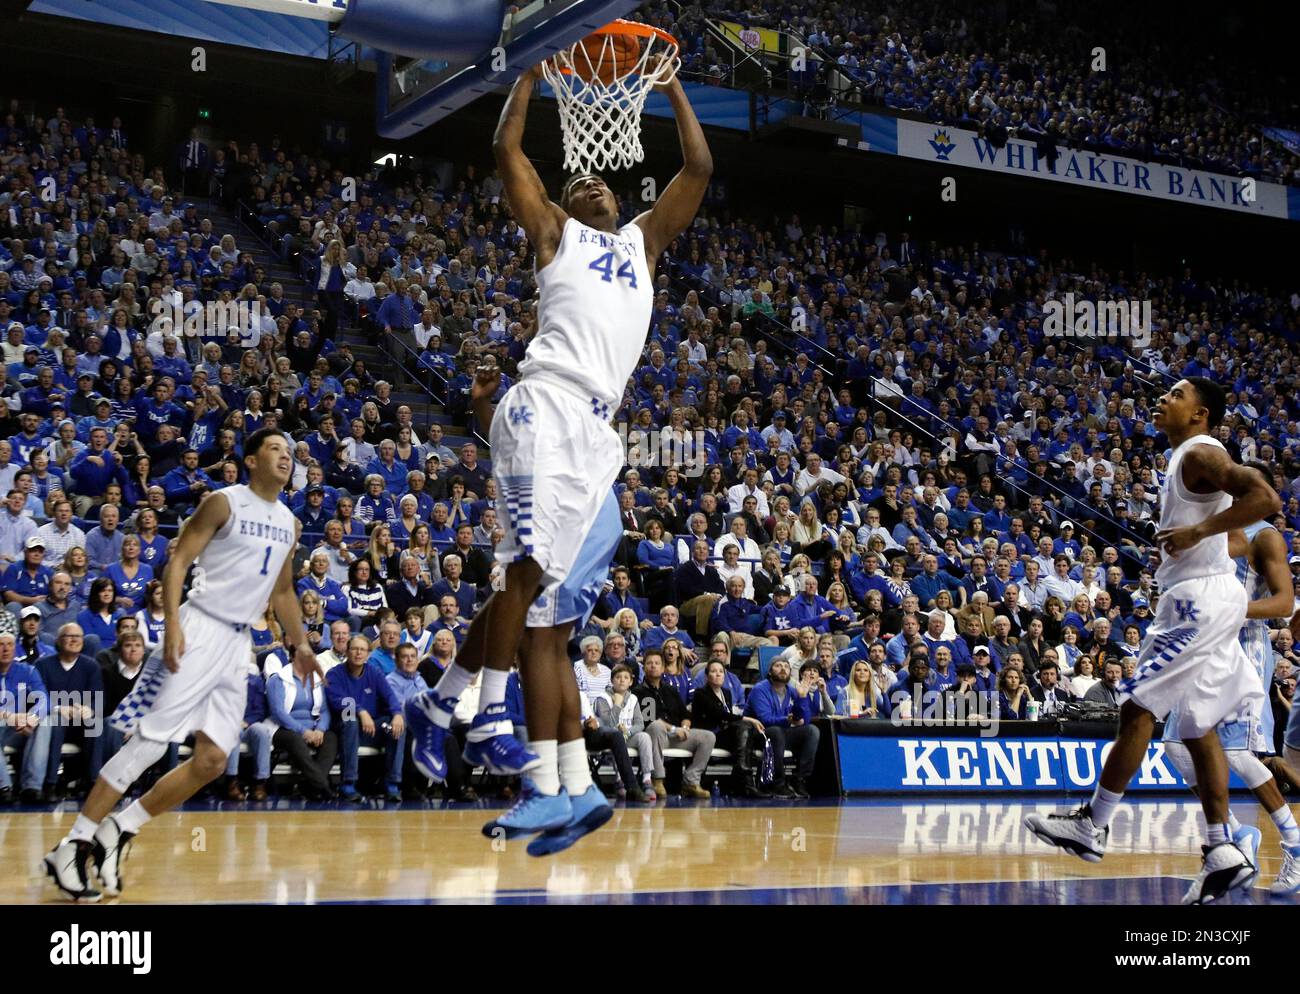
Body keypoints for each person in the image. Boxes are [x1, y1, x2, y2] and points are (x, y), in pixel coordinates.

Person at [403, 55, 710, 856]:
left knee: (535, 590)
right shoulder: (555, 234)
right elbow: (509, 153)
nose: (590, 190)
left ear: (621, 195)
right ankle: (491, 718)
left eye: (601, 186)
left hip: (597, 434)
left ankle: (447, 705)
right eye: (577, 187)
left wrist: (668, 85)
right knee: (529, 570)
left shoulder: (645, 243)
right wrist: (530, 76)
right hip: (544, 399)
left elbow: (699, 166)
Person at [1025, 377, 1282, 905]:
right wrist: (1203, 535)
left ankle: (1093, 824)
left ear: (1200, 413)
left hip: (1196, 603)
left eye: (1178, 394)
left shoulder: (1200, 451)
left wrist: (1198, 535)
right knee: (1196, 724)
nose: (1165, 399)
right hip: (1209, 596)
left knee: (1137, 707)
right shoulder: (1188, 456)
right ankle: (1221, 847)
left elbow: (1264, 496)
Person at [44, 428, 315, 901]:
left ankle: (119, 828)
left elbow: (285, 592)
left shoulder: (290, 523)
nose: (285, 456)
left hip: (238, 645)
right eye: (275, 448)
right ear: (250, 460)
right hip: (201, 626)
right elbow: (178, 562)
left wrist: (303, 644)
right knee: (150, 743)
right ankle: (71, 844)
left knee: (211, 759)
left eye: (289, 451)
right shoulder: (223, 502)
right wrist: (173, 624)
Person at [1160, 463, 1300, 896]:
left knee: (1238, 752)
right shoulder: (1209, 531)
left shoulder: (1265, 536)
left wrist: (1232, 611)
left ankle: (1295, 847)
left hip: (1245, 649)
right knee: (1176, 748)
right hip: (1202, 648)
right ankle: (1241, 835)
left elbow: (1283, 604)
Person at [325, 634, 407, 802]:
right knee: (351, 720)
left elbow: (390, 696)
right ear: (347, 651)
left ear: (368, 654)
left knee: (396, 727)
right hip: (344, 727)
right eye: (354, 649)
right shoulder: (334, 674)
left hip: (372, 728)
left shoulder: (374, 672)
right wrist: (361, 711)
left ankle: (392, 783)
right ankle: (348, 783)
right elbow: (338, 701)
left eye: (362, 650)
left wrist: (398, 714)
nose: (358, 653)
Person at [691, 658, 768, 797]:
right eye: (714, 671)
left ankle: (756, 781)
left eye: (721, 671)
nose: (718, 674)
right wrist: (748, 718)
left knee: (756, 734)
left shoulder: (726, 692)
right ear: (707, 676)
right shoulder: (700, 693)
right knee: (744, 726)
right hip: (709, 736)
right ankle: (744, 780)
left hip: (726, 733)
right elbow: (719, 714)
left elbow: (728, 717)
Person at [745, 657, 820, 798]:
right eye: (778, 666)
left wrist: (802, 697)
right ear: (770, 671)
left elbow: (806, 720)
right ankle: (777, 783)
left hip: (783, 733)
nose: (783, 668)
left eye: (786, 666)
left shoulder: (792, 690)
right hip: (759, 734)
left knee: (812, 731)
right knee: (775, 731)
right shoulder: (760, 689)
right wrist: (788, 720)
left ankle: (800, 780)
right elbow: (765, 720)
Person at [590, 663, 653, 802]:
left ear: (631, 682)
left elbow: (640, 724)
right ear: (612, 681)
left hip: (627, 735)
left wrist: (628, 732)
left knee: (644, 737)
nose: (622, 680)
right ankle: (619, 779)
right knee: (617, 737)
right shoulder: (602, 698)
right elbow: (608, 724)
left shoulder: (633, 698)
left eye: (626, 677)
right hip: (609, 738)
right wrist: (617, 704)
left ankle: (647, 779)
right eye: (618, 677)